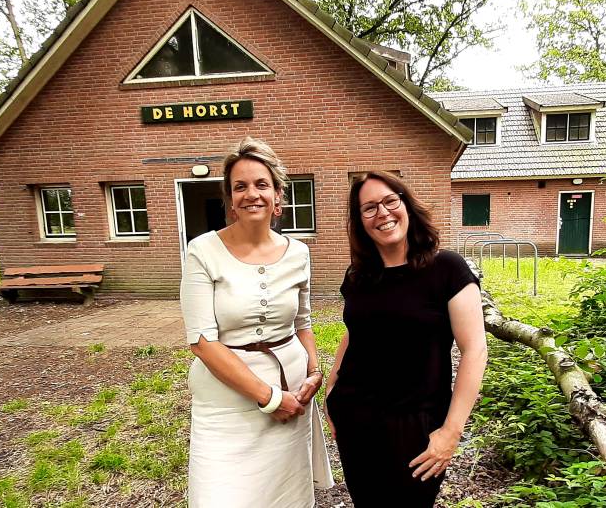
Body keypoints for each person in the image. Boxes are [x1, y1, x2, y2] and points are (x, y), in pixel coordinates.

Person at [180, 137, 331, 508]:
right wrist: (268, 398)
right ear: (230, 199)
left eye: (262, 184)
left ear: (278, 195)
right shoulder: (202, 250)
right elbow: (201, 340)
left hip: (293, 391)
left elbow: (303, 323)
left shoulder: (298, 253)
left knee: (285, 496)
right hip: (225, 401)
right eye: (240, 186)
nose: (252, 194)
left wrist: (314, 372)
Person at [325, 171, 488, 507]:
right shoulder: (358, 275)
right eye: (368, 208)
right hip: (356, 418)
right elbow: (355, 331)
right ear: (360, 221)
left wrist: (451, 432)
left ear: (407, 205)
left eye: (389, 201)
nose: (382, 213)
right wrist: (331, 388)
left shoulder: (447, 269)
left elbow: (474, 351)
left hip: (416, 426)